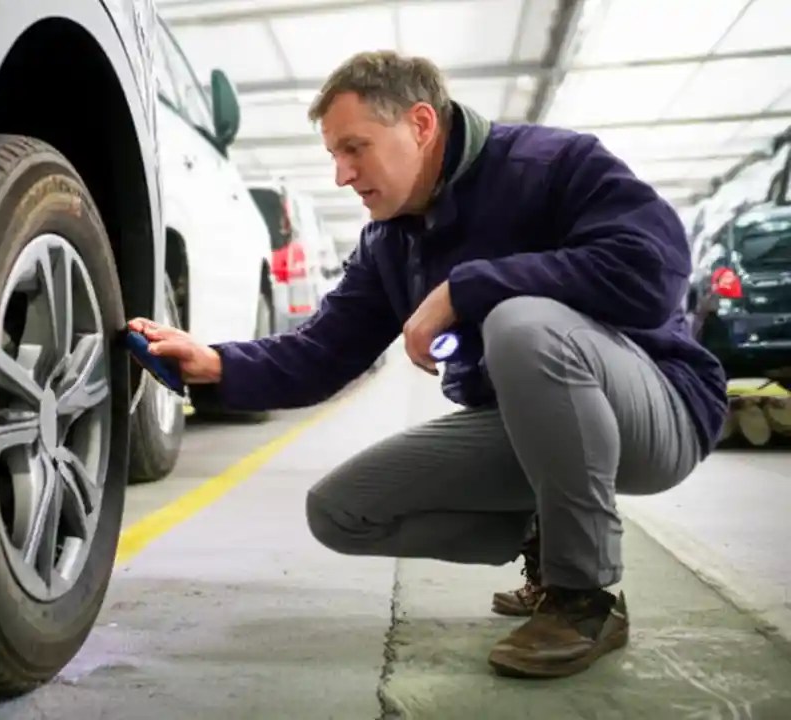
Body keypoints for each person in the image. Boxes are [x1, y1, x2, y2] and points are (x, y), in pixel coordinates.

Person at [127, 50, 727, 679]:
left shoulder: (551, 165)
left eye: (354, 148)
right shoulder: (389, 239)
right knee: (341, 511)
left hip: (659, 406)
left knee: (519, 322)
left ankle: (585, 598)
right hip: (531, 427)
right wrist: (215, 362)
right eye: (334, 155)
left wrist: (466, 289)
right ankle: (544, 542)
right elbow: (321, 352)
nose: (342, 175)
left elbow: (653, 272)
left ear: (419, 124)